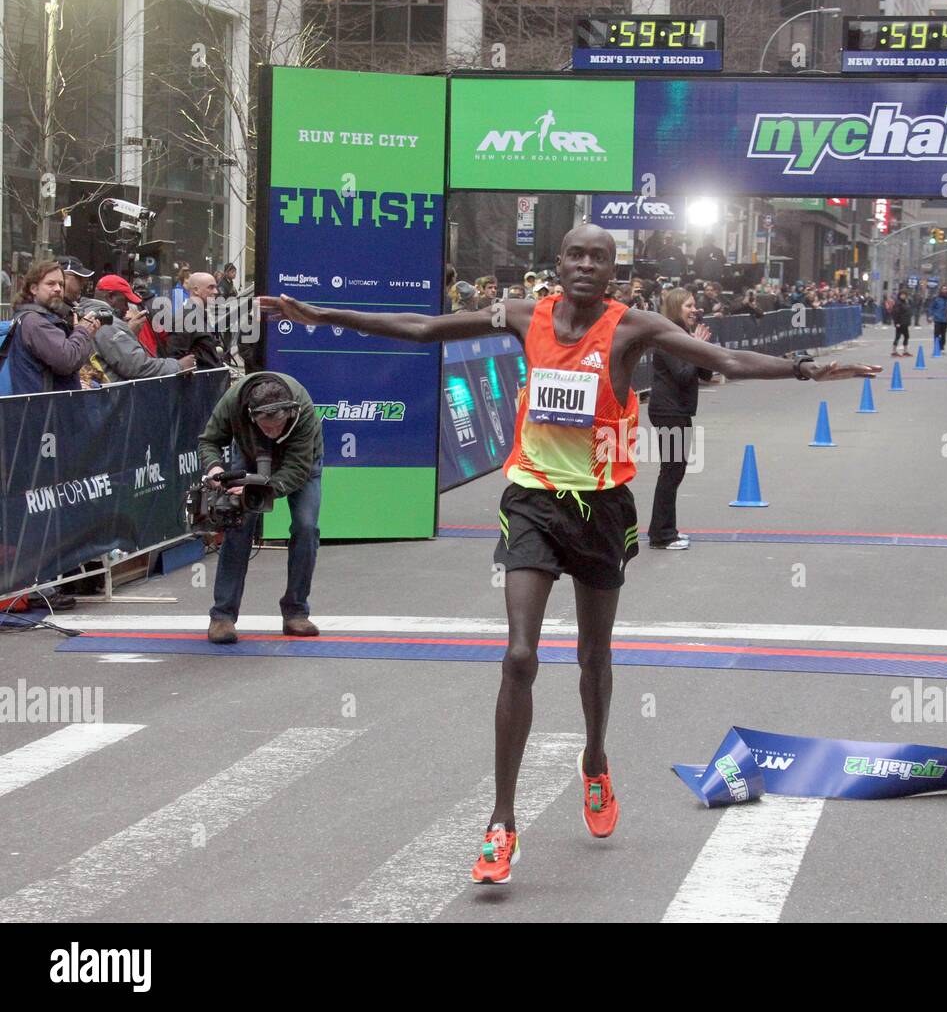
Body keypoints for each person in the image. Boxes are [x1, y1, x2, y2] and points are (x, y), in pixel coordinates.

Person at [258, 224, 880, 884]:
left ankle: (593, 759)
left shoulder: (634, 326)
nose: (585, 264)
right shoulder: (524, 315)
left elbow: (721, 358)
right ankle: (501, 821)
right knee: (520, 654)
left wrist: (807, 367)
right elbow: (422, 327)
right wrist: (318, 312)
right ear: (558, 262)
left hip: (603, 508)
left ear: (612, 270)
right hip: (533, 498)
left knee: (592, 655)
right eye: (575, 253)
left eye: (599, 257)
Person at [198, 372, 324, 643]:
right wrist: (215, 468)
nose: (273, 432)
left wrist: (259, 490)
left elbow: (297, 469)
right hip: (250, 458)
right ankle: (222, 616)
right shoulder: (233, 401)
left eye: (278, 426)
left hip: (301, 464)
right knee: (238, 529)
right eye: (267, 428)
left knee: (306, 527)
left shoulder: (303, 410)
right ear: (252, 415)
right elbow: (209, 440)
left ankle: (296, 611)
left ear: (288, 413)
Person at [648, 288, 713, 550]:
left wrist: (702, 347)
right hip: (668, 411)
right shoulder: (670, 338)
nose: (694, 310)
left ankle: (665, 530)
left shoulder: (685, 337)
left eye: (695, 305)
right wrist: (696, 346)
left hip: (680, 410)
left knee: (675, 471)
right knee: (671, 471)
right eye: (688, 305)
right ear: (676, 308)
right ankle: (662, 535)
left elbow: (705, 374)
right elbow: (684, 375)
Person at [0, 260, 100, 396]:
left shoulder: (40, 319)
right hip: (43, 411)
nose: (58, 289)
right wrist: (82, 331)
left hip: (46, 410)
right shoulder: (35, 322)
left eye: (61, 284)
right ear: (34, 288)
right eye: (50, 284)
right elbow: (67, 360)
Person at [94, 274, 196, 383]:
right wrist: (179, 365)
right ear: (111, 297)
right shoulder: (107, 323)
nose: (127, 307)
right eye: (125, 302)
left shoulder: (97, 318)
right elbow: (135, 366)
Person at [165, 270, 224, 369]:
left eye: (215, 287)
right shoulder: (186, 318)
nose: (216, 292)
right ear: (196, 290)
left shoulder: (200, 314)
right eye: (211, 287)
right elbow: (175, 358)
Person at [890, 290, 912, 357]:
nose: (903, 296)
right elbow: (895, 313)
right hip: (900, 322)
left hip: (905, 323)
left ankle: (905, 351)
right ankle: (894, 351)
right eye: (902, 295)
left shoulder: (906, 302)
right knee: (897, 336)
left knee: (906, 336)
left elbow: (908, 312)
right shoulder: (898, 303)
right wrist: (897, 322)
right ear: (899, 295)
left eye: (904, 295)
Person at [930, 286, 947, 350]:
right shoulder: (937, 299)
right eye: (943, 289)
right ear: (941, 290)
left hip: (945, 319)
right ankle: (936, 345)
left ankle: (942, 345)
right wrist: (930, 316)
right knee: (936, 333)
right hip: (937, 318)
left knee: (943, 334)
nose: (944, 290)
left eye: (946, 289)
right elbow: (931, 307)